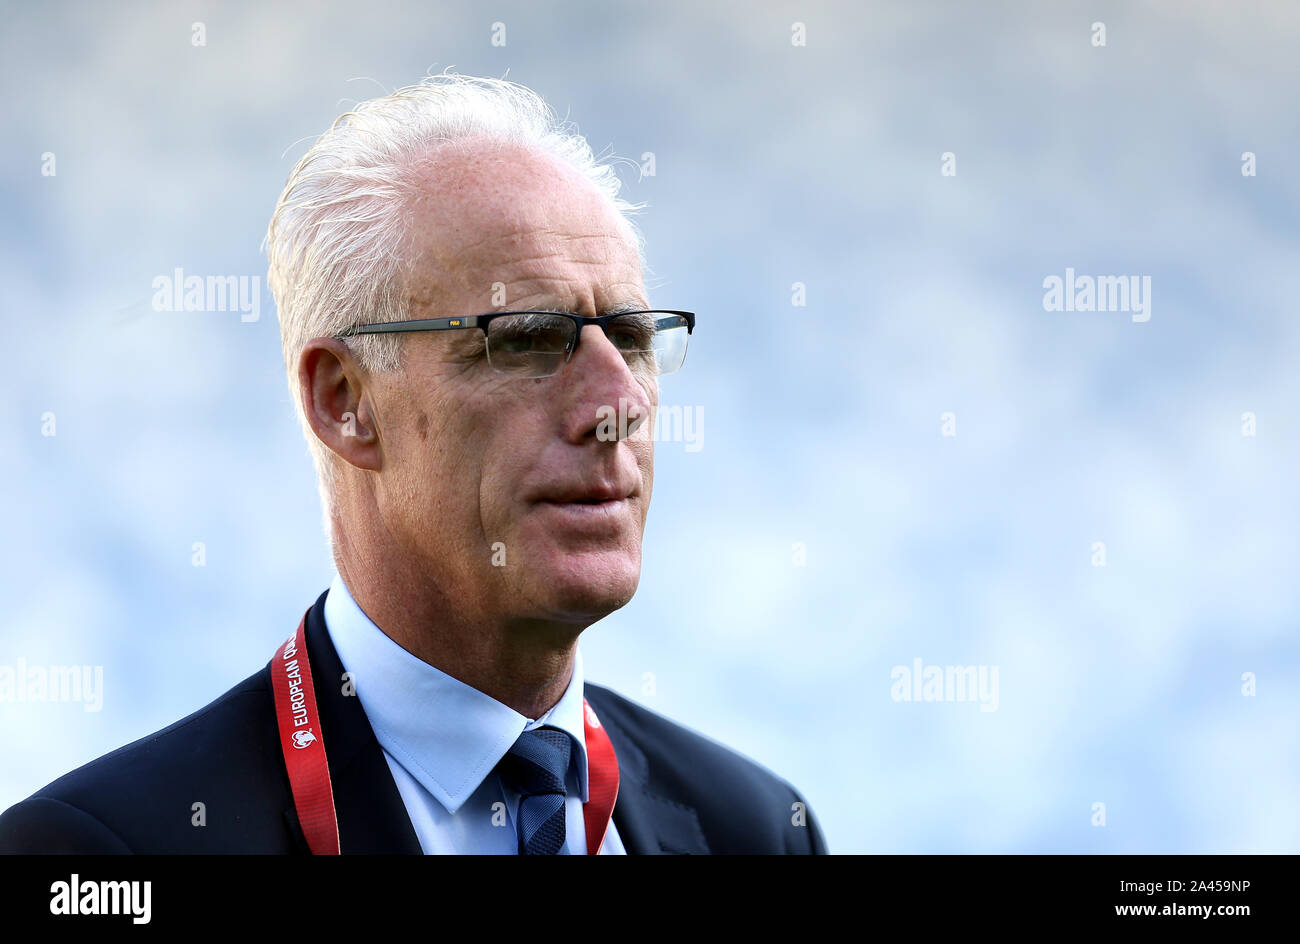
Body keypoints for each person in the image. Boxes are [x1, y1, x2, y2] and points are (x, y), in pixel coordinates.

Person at [0, 73, 827, 854]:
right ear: (344, 400)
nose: (619, 405)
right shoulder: (104, 849)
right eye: (531, 339)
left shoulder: (756, 828)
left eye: (635, 338)